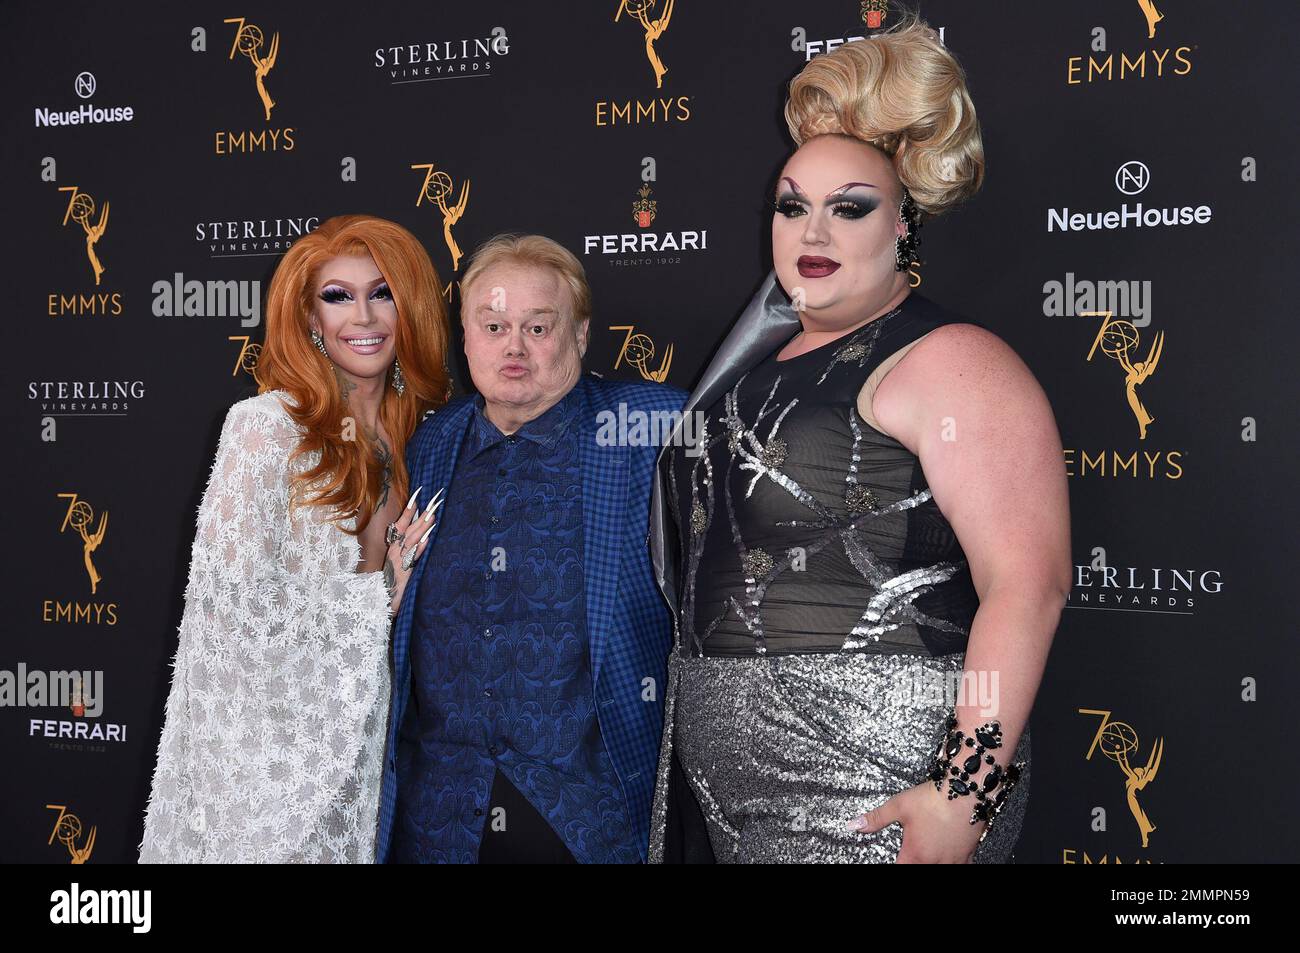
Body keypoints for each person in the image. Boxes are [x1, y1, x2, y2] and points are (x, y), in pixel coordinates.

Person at [647, 12, 1071, 863]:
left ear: (903, 225)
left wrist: (964, 789)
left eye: (849, 208)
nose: (813, 232)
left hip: (875, 780)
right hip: (729, 795)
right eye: (792, 205)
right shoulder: (750, 366)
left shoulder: (951, 361)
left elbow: (1031, 583)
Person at [138, 215, 452, 862]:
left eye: (382, 291)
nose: (362, 316)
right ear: (310, 318)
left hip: (385, 769)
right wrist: (377, 593)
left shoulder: (425, 438)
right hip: (271, 785)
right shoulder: (263, 429)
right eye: (337, 296)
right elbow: (230, 615)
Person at [377, 233, 686, 863]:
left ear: (579, 335)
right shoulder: (427, 448)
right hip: (438, 821)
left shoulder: (651, 431)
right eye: (492, 326)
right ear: (464, 337)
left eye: (538, 327)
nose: (513, 346)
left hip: (587, 818)